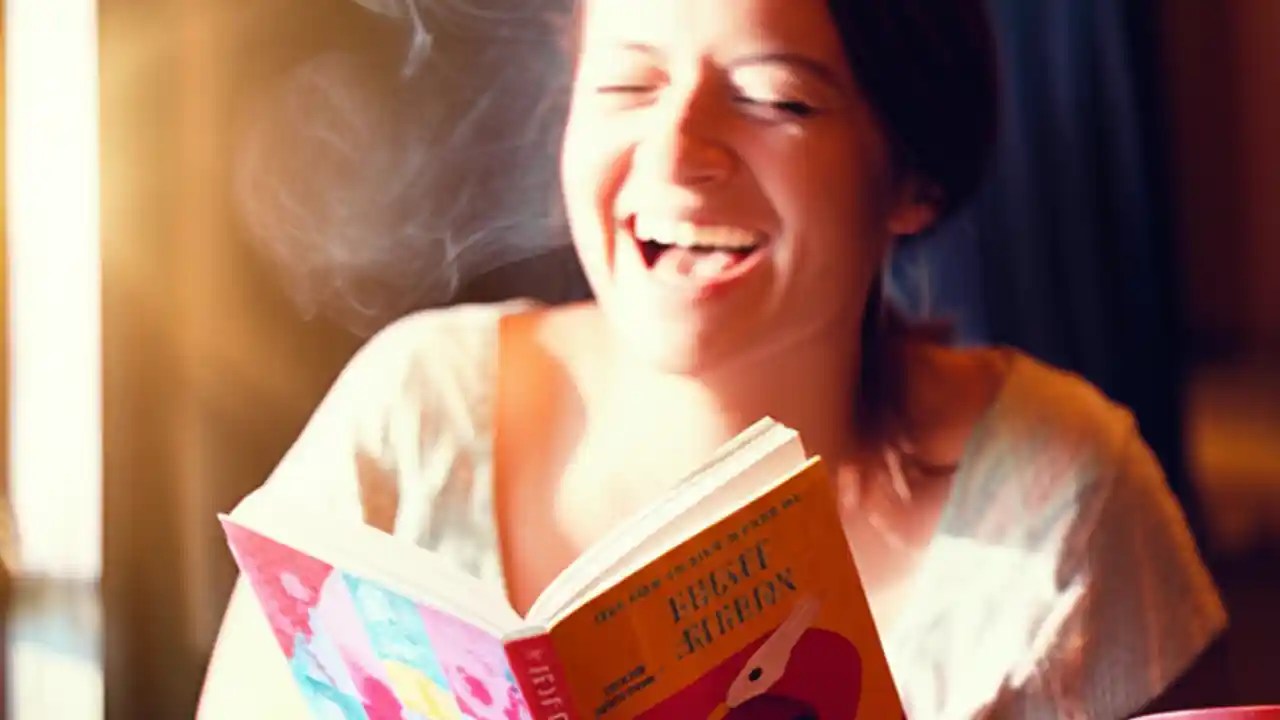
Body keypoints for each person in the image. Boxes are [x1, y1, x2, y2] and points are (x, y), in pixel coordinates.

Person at [199, 0, 1227, 717]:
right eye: (626, 85)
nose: (677, 150)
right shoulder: (411, 412)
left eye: (775, 98)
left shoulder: (1059, 497)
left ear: (909, 174)